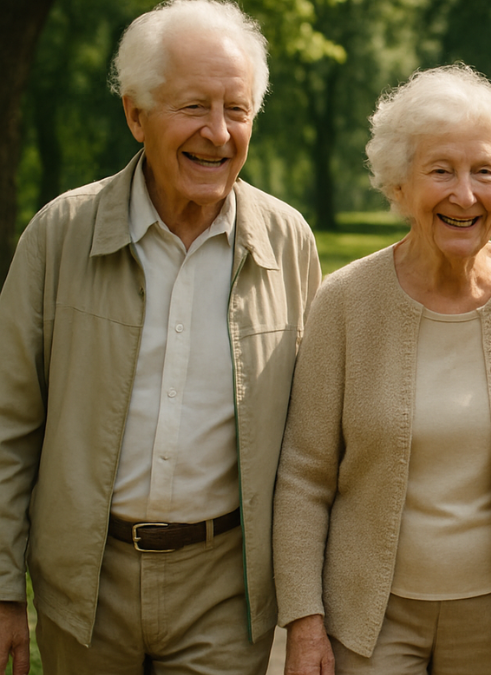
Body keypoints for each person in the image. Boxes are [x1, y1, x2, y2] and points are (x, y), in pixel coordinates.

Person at [0, 1, 321, 673]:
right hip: (84, 586)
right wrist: (3, 588)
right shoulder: (60, 233)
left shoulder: (288, 240)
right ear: (135, 114)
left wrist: (304, 604)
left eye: (237, 109)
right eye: (193, 106)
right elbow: (8, 424)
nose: (218, 132)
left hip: (225, 589)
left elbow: (313, 444)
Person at [272, 64, 491, 675]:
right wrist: (304, 623)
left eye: (484, 172)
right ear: (400, 183)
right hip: (369, 620)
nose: (464, 195)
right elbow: (303, 477)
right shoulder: (344, 300)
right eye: (440, 170)